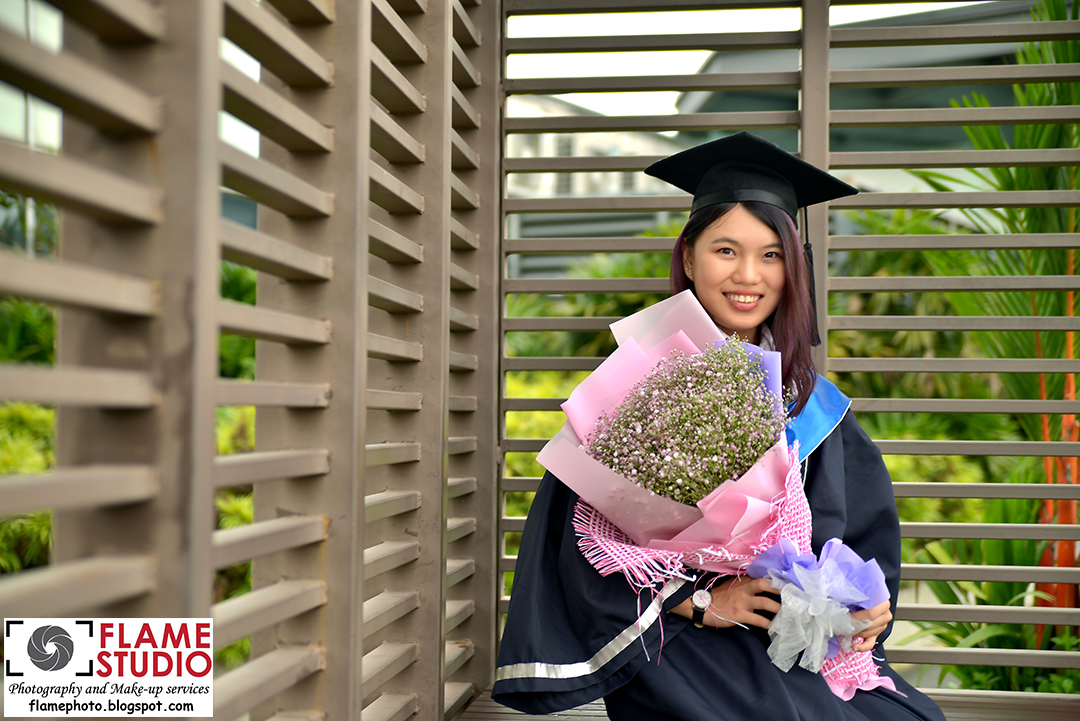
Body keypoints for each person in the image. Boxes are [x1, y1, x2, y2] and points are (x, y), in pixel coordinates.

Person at [491, 132, 947, 721]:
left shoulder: (811, 402)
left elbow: (860, 538)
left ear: (793, 266)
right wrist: (701, 600)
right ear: (688, 256)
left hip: (787, 637)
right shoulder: (638, 381)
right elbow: (579, 547)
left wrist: (867, 605)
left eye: (771, 254)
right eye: (725, 250)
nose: (748, 275)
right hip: (679, 643)